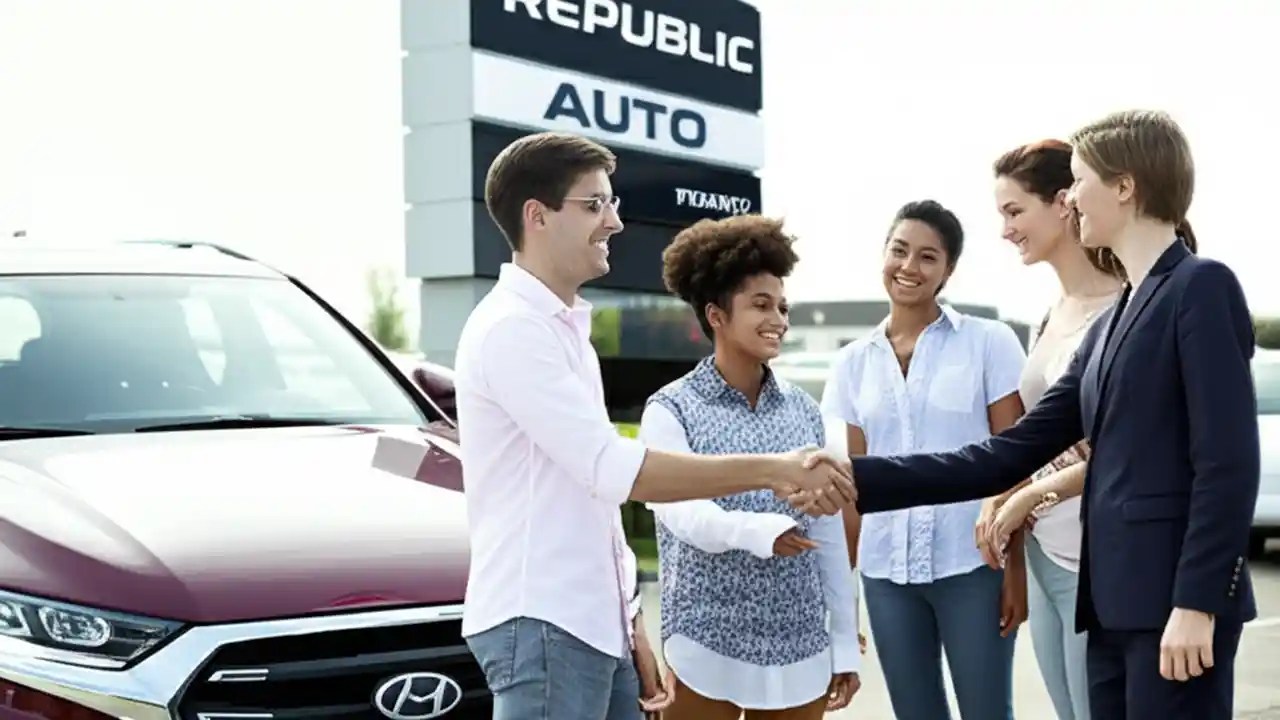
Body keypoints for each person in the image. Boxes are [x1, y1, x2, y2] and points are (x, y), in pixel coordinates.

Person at [840, 110, 1259, 720]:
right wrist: (857, 479)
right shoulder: (1111, 324)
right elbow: (1007, 454)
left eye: (1082, 181)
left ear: (1125, 187)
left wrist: (1198, 604)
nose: (1073, 197)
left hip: (1174, 611)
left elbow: (1227, 464)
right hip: (1110, 607)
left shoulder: (1201, 287)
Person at [453, 131, 854, 720]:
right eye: (595, 205)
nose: (614, 221)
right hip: (543, 622)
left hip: (590, 626)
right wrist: (774, 469)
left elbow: (594, 500)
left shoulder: (561, 331)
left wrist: (629, 620)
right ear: (535, 216)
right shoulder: (513, 331)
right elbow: (615, 470)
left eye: (611, 204)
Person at [638, 215, 861, 720]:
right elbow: (681, 513)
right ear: (716, 315)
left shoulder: (805, 410)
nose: (778, 319)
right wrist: (762, 531)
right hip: (706, 639)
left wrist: (844, 643)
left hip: (800, 642)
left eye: (782, 307)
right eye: (761, 305)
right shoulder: (671, 409)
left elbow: (827, 530)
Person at [820, 199, 1028, 720]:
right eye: (899, 250)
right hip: (887, 573)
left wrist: (1015, 571)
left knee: (987, 711)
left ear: (948, 270)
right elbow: (853, 488)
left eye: (928, 257)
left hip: (973, 566)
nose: (909, 267)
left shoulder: (989, 343)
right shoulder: (850, 363)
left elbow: (1015, 462)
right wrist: (842, 602)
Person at [979, 139, 1126, 720]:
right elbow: (1036, 434)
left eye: (1015, 212)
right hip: (1045, 552)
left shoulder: (1128, 307)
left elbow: (1134, 450)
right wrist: (1004, 493)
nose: (1006, 230)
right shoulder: (1051, 313)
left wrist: (1031, 494)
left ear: (1063, 203)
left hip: (1098, 557)